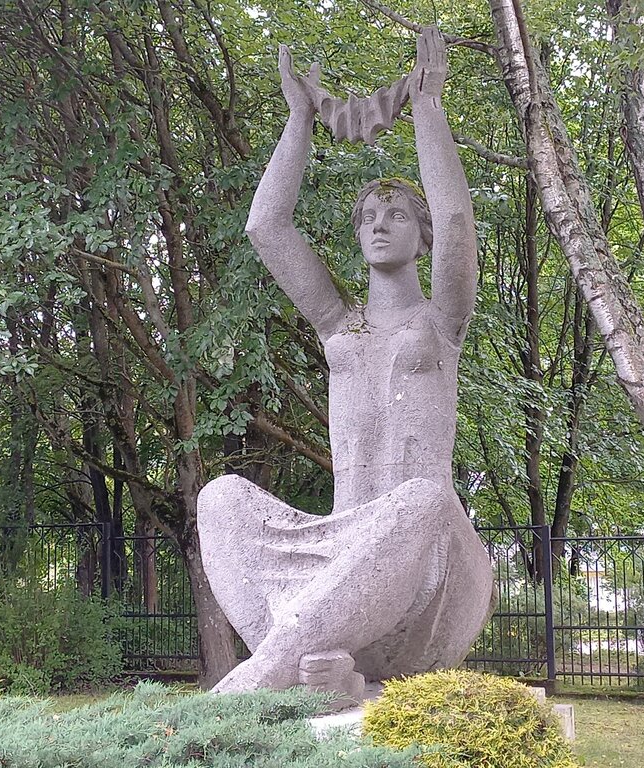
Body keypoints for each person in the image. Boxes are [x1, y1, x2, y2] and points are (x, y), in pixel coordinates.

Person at [197, 28, 493, 697]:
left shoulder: (440, 323)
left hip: (430, 575)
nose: (378, 224)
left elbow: (457, 221)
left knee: (421, 499)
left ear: (420, 238)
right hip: (346, 582)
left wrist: (429, 109)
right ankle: (307, 666)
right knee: (220, 499)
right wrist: (299, 121)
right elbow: (265, 228)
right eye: (367, 217)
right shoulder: (340, 325)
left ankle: (270, 672)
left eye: (394, 215)